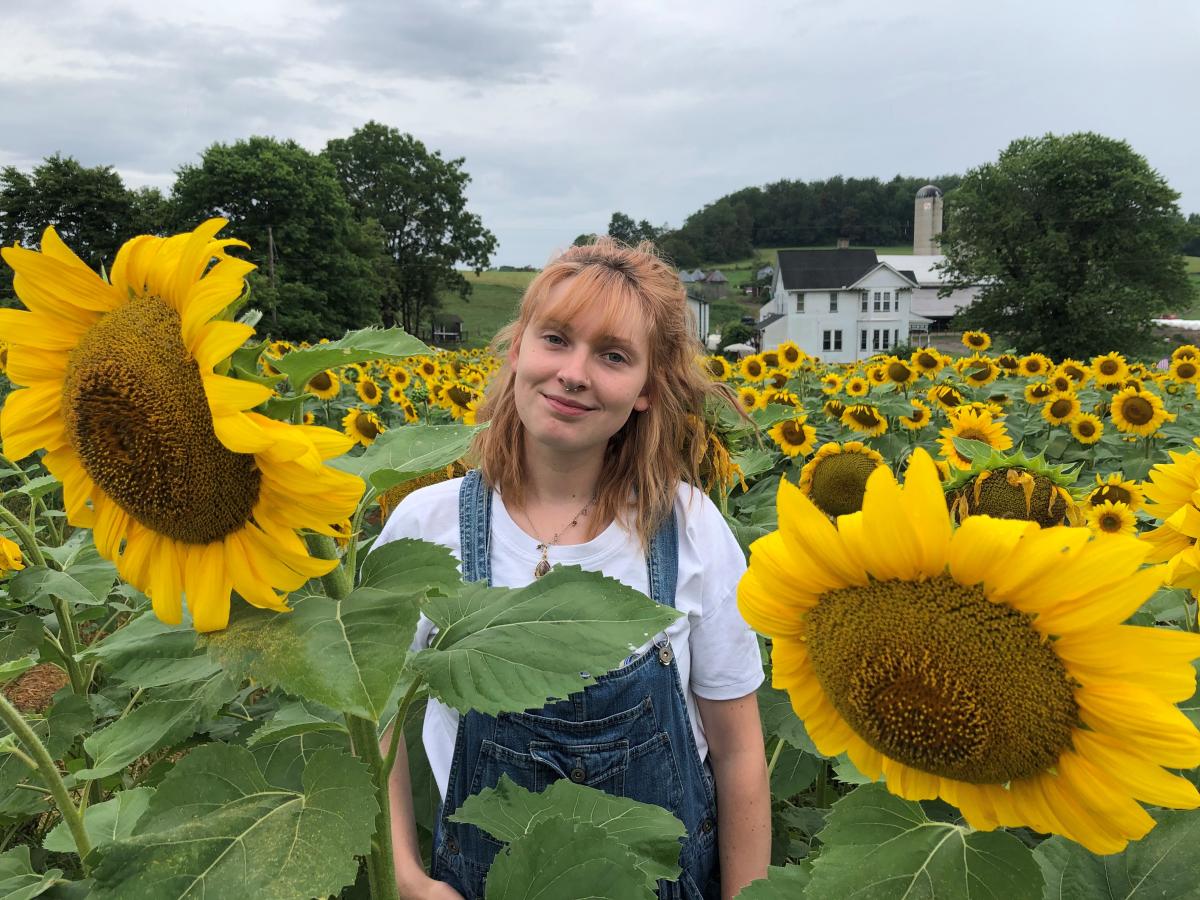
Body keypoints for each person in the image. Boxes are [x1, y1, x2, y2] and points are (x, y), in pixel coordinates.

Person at [379, 239, 770, 900]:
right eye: (556, 339)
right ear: (516, 351)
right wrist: (406, 877)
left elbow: (738, 756)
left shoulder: (689, 529)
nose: (574, 373)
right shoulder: (429, 525)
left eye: (613, 356)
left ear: (646, 391)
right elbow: (374, 717)